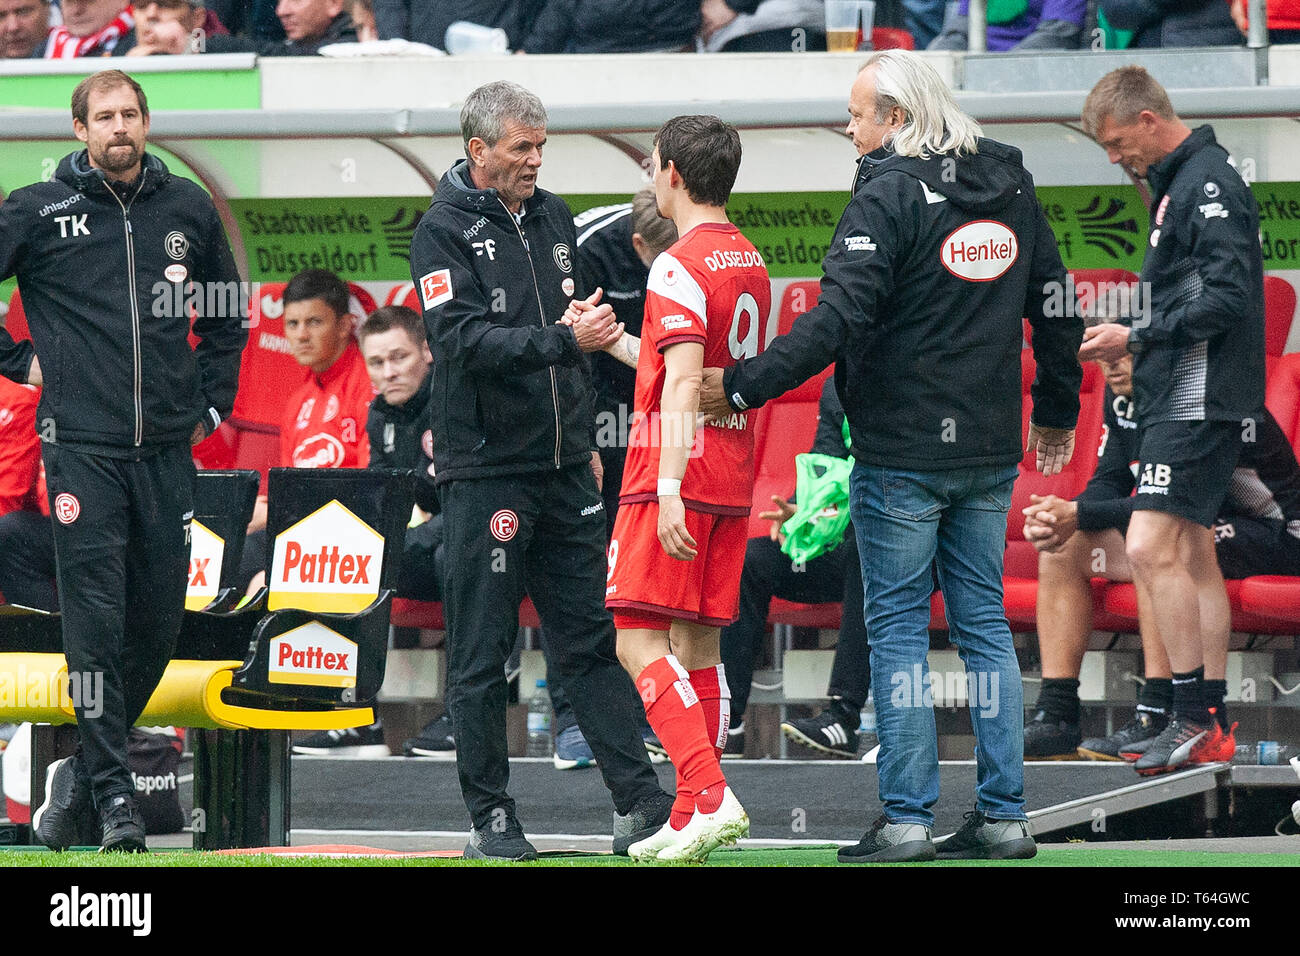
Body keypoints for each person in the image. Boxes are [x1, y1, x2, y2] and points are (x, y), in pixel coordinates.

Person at [700, 49, 1082, 863]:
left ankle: (907, 821)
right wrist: (1055, 409)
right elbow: (1057, 303)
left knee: (901, 630)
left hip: (902, 453)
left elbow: (834, 320)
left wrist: (738, 386)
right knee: (984, 628)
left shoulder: (887, 193)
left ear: (898, 119)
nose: (849, 127)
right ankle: (1006, 818)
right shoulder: (1013, 185)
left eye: (859, 113)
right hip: (986, 449)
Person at [408, 80, 671, 861]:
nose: (536, 159)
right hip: (486, 473)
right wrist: (566, 342)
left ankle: (639, 803)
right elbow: (461, 342)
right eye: (522, 147)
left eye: (541, 144)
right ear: (478, 151)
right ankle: (490, 817)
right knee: (484, 654)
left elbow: (572, 329)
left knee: (591, 638)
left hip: (563, 467)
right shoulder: (441, 231)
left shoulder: (555, 216)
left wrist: (585, 430)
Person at [0, 69, 247, 851]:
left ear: (146, 121)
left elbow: (226, 314)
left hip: (167, 452)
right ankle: (114, 799)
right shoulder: (39, 211)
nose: (118, 127)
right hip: (81, 451)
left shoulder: (186, 208)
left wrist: (212, 405)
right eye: (102, 116)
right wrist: (18, 362)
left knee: (159, 617)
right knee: (96, 627)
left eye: (129, 113)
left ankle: (79, 772)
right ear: (78, 130)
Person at [580, 114, 769, 863]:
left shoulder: (676, 263)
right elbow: (678, 365)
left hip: (676, 471)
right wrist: (614, 343)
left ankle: (708, 789)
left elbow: (686, 381)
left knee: (634, 639)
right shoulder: (748, 255)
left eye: (654, 163)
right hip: (731, 472)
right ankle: (695, 812)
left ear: (673, 175)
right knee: (698, 643)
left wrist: (662, 487)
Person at [1077, 66, 1266, 775]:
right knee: (1190, 554)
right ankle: (1201, 716)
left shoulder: (1207, 181)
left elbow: (1228, 298)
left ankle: (1192, 717)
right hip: (1181, 392)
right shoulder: (1177, 183)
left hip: (1198, 395)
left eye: (1119, 141)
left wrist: (1137, 336)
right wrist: (1133, 328)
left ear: (1151, 120)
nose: (1115, 156)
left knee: (1151, 546)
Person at [1022, 353, 1300, 763]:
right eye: (1103, 358)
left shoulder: (1203, 400)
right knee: (1064, 548)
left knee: (1157, 545)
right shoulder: (1122, 399)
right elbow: (1109, 481)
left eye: (1124, 354)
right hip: (1200, 521)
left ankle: (1155, 712)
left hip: (1276, 533)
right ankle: (1057, 713)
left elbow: (1174, 504)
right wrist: (1060, 517)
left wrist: (1078, 515)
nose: (1112, 368)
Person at [719, 377, 871, 759]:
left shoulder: (916, 375)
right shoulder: (841, 385)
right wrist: (799, 511)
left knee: (866, 552)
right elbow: (824, 466)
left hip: (919, 549)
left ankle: (843, 717)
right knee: (751, 562)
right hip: (848, 544)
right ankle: (727, 723)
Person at [355, 304, 456, 759]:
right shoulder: (380, 416)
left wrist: (402, 544)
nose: (389, 371)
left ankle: (466, 714)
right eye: (377, 362)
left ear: (427, 352)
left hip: (483, 541)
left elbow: (467, 506)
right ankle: (356, 716)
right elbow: (384, 501)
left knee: (451, 554)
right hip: (422, 544)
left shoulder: (454, 400)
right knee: (346, 564)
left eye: (399, 357)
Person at [928, 0, 1085, 50]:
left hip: (1034, 71)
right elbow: (960, 31)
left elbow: (1058, 33)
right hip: (977, 69)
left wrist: (1002, 68)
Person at [41, 0, 134, 56]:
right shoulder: (48, 46)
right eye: (69, 2)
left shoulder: (140, 39)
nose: (76, 11)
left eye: (88, 1)